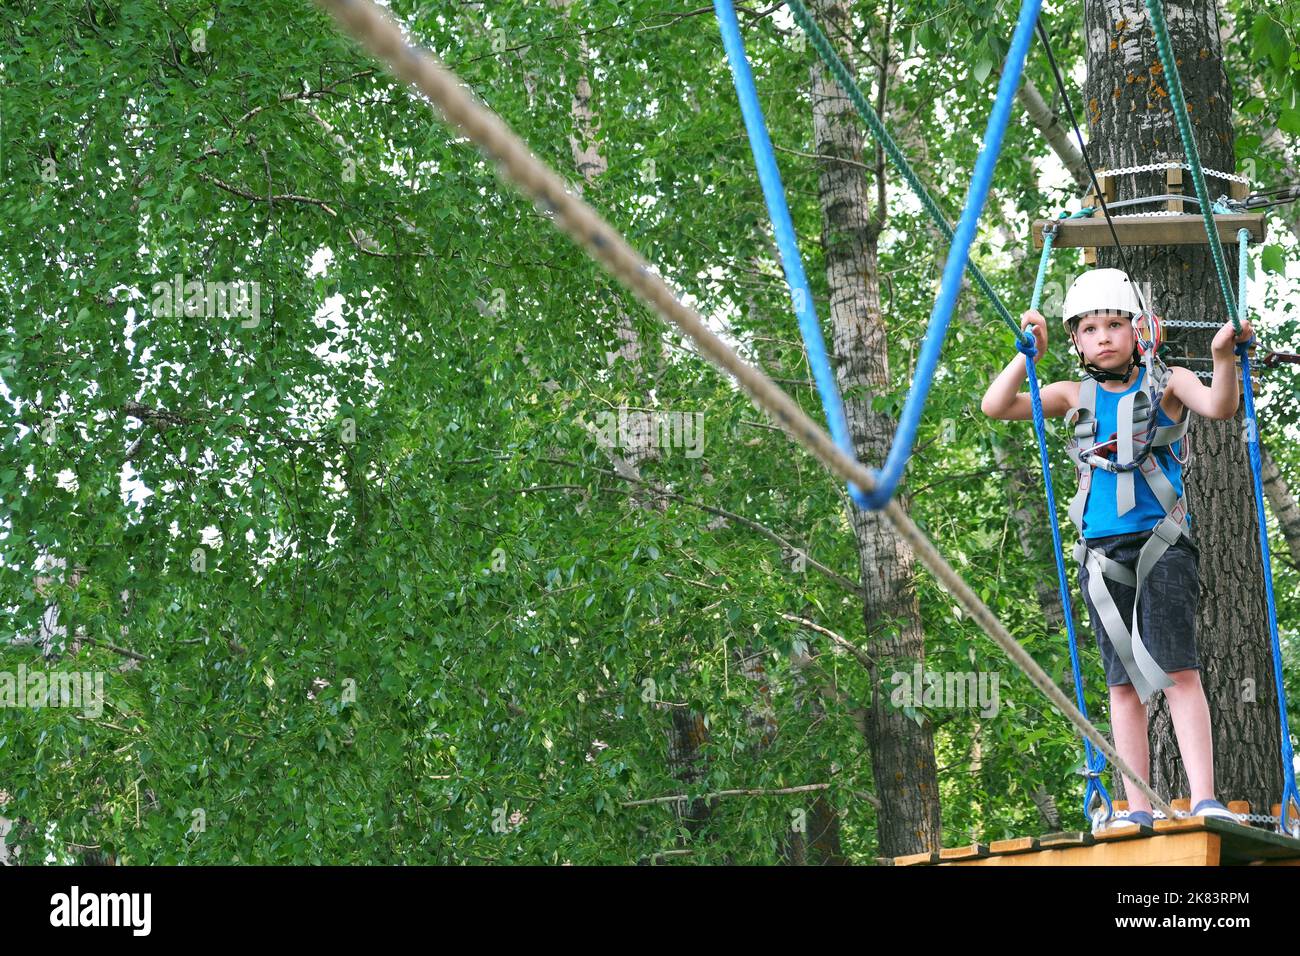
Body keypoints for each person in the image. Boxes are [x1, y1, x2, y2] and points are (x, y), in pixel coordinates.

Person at [980, 268, 1254, 830]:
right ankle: (1137, 805)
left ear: (1141, 330)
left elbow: (1221, 407)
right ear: (1076, 341)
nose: (1102, 336)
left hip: (1163, 546)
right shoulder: (1069, 395)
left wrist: (1222, 356)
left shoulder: (1168, 382)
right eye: (1088, 328)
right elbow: (995, 405)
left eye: (1114, 324)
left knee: (1177, 670)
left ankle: (1203, 797)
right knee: (1123, 684)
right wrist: (1027, 353)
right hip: (1102, 556)